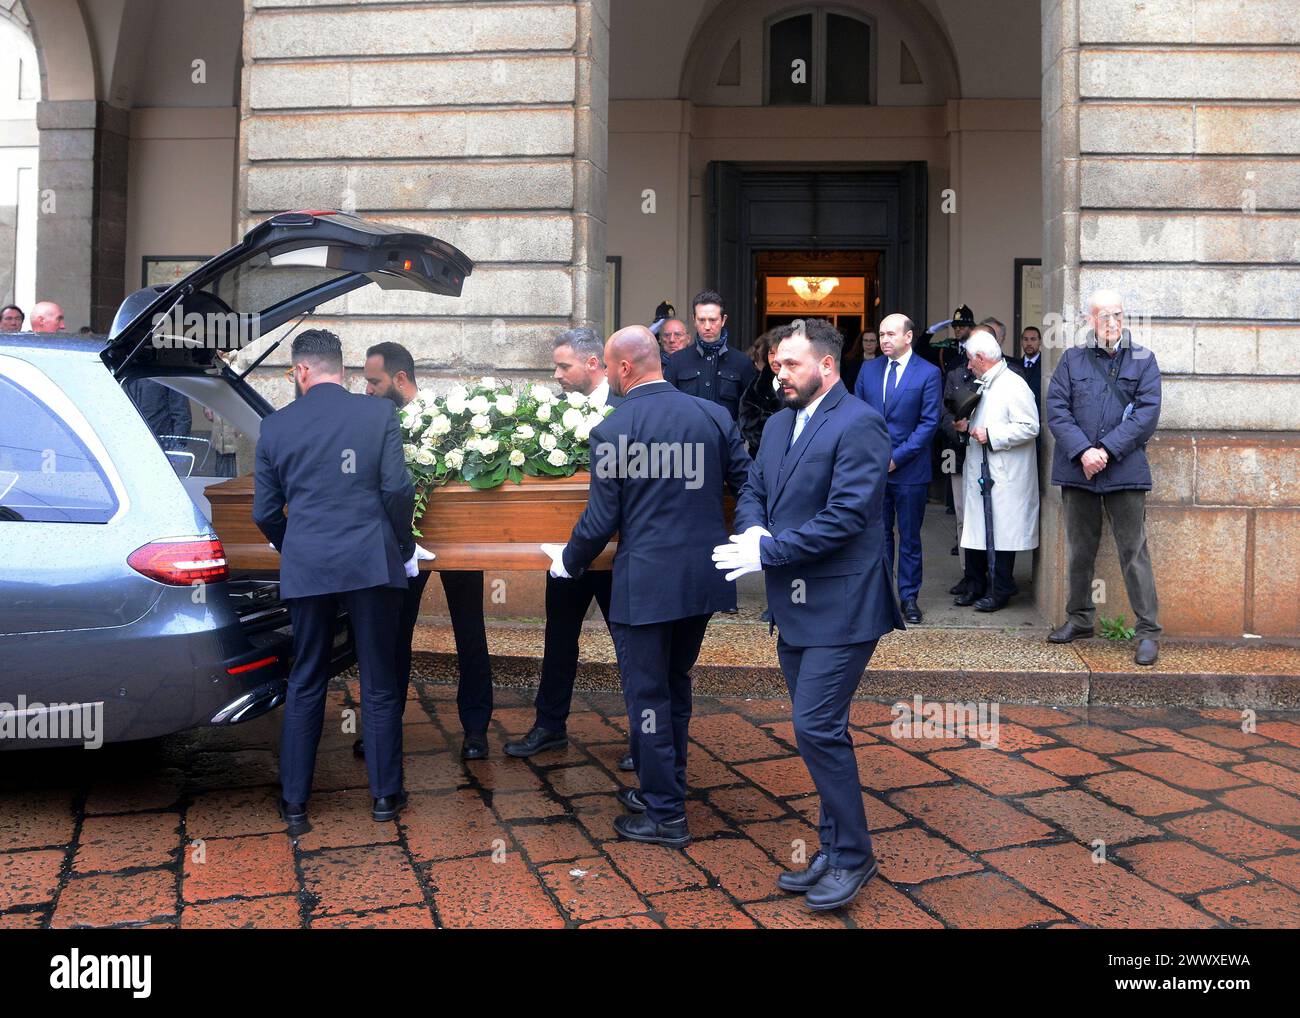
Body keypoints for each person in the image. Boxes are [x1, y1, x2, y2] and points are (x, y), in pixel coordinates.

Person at [716, 316, 902, 911]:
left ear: (827, 365)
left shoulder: (860, 423)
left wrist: (767, 550)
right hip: (792, 604)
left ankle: (853, 855)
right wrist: (751, 532)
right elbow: (754, 489)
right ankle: (831, 846)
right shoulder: (774, 425)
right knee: (823, 731)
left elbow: (848, 516)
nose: (779, 371)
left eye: (791, 363)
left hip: (845, 604)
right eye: (776, 362)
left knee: (815, 728)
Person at [543, 326, 750, 848]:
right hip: (703, 577)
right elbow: (749, 484)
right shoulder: (713, 416)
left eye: (611, 367)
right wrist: (747, 536)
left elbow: (600, 519)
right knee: (675, 684)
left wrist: (568, 563)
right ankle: (667, 787)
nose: (609, 375)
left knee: (648, 695)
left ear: (625, 368)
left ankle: (665, 815)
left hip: (648, 584)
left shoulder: (616, 430)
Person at [253, 329, 416, 832]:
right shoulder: (377, 414)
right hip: (370, 559)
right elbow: (396, 489)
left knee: (306, 677)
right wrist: (401, 545)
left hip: (309, 564)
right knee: (379, 677)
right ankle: (385, 797)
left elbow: (264, 512)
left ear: (301, 371)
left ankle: (296, 802)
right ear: (340, 370)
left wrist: (295, 545)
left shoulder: (276, 426)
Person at [362, 340, 496, 759]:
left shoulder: (452, 419)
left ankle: (476, 730)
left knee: (469, 632)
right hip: (404, 544)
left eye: (373, 381)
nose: (366, 389)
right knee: (395, 634)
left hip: (458, 539)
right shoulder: (375, 421)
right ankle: (384, 729)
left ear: (400, 379)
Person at [505, 328, 632, 769]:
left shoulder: (626, 408)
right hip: (566, 549)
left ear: (594, 364)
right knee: (559, 639)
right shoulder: (551, 413)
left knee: (630, 645)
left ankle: (643, 737)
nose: (556, 375)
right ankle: (549, 726)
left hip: (617, 553)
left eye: (564, 366)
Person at [1046, 289, 1162, 666]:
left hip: (1124, 471)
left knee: (1134, 552)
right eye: (1104, 316)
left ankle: (1147, 631)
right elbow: (1057, 410)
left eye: (1118, 315)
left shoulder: (1144, 360)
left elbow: (1146, 414)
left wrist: (1106, 451)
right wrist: (1083, 451)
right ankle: (1080, 619)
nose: (1112, 322)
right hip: (1078, 470)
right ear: (1089, 321)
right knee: (1080, 550)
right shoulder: (1071, 360)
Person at [853, 313, 942, 624]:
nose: (884, 340)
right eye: (881, 335)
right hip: (874, 469)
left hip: (910, 471)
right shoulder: (869, 369)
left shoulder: (928, 373)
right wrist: (875, 457)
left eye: (891, 334)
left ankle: (909, 597)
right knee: (878, 536)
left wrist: (897, 457)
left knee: (909, 537)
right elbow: (857, 416)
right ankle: (882, 596)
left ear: (908, 337)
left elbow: (928, 423)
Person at [953, 327, 1040, 612]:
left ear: (981, 357)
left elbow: (1030, 427)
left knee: (1002, 535)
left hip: (1004, 476)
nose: (967, 365)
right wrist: (967, 429)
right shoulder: (987, 382)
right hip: (983, 472)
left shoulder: (1013, 385)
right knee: (978, 530)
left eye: (970, 359)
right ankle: (977, 585)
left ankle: (1000, 590)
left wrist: (991, 435)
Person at [664, 289, 757, 421]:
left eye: (713, 320)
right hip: (688, 439)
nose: (707, 326)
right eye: (702, 320)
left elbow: (751, 411)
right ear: (694, 320)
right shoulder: (677, 361)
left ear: (723, 320)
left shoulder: (742, 362)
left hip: (727, 440)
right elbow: (667, 407)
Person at [738, 325, 790, 457]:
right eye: (771, 353)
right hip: (760, 459)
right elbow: (747, 423)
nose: (775, 359)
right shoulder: (756, 386)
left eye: (780, 352)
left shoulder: (805, 386)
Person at [124, 377, 192, 452]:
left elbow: (182, 415)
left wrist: (176, 448)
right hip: (126, 445)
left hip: (161, 447)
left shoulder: (165, 372)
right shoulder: (119, 373)